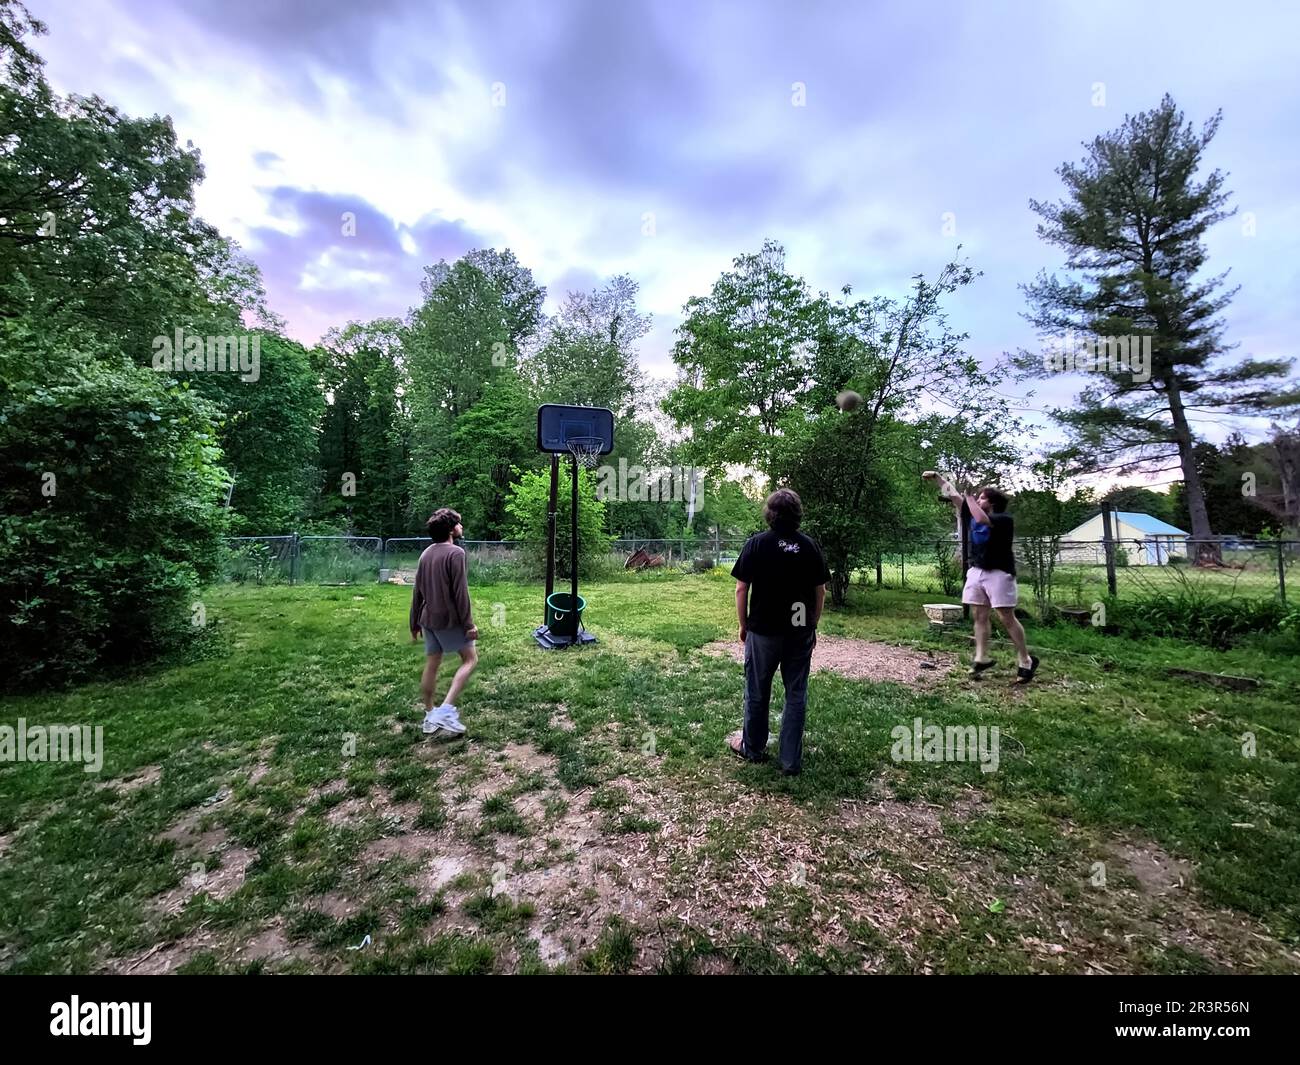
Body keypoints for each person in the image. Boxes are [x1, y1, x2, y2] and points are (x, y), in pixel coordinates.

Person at [727, 488, 831, 776]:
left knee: (757, 690)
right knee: (796, 693)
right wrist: (813, 624)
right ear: (798, 515)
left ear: (770, 515)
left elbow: (741, 587)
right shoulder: (809, 546)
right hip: (799, 630)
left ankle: (753, 748)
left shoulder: (757, 544)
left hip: (763, 630)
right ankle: (789, 762)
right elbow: (820, 591)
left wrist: (743, 624)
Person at [924, 472, 1039, 683]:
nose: (978, 500)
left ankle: (1026, 660)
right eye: (978, 498)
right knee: (979, 615)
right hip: (977, 570)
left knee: (1006, 617)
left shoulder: (1003, 520)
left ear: (993, 502)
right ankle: (981, 657)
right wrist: (939, 478)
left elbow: (980, 518)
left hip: (999, 572)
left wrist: (969, 499)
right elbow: (954, 496)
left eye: (982, 498)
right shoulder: (973, 512)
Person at [410, 507, 478, 735]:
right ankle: (446, 710)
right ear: (451, 530)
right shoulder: (455, 553)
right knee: (470, 659)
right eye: (458, 524)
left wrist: (414, 621)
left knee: (432, 662)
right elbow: (461, 593)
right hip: (448, 619)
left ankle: (430, 715)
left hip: (427, 619)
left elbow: (416, 591)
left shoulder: (426, 553)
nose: (461, 527)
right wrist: (469, 625)